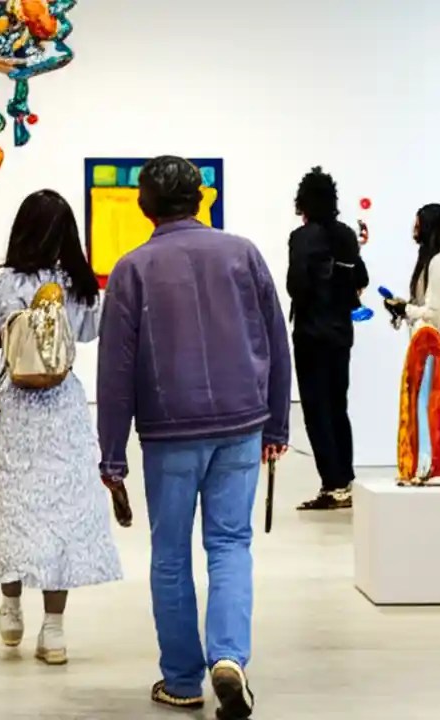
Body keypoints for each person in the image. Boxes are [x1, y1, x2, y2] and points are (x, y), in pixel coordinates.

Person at [97, 156, 291, 719]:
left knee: (171, 552)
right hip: (240, 424)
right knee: (231, 544)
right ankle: (228, 657)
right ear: (201, 199)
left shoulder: (133, 268)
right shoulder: (243, 254)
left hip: (169, 432)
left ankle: (182, 679)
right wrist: (277, 423)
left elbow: (116, 368)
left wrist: (112, 454)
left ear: (145, 205)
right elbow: (277, 342)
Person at [0, 189, 123, 666]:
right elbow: (95, 331)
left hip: (16, 411)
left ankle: (11, 610)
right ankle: (54, 631)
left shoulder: (7, 284)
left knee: (13, 512)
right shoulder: (80, 286)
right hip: (64, 410)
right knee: (61, 519)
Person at [287, 167, 368, 511]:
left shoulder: (301, 238)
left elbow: (296, 286)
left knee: (315, 410)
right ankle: (344, 480)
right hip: (340, 334)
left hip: (311, 335)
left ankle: (332, 485)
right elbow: (360, 277)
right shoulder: (347, 235)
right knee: (338, 407)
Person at [391, 203, 440, 479]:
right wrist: (407, 310)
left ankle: (428, 468)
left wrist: (407, 310)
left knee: (427, 410)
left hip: (437, 349)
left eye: (417, 225)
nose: (414, 230)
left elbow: (434, 315)